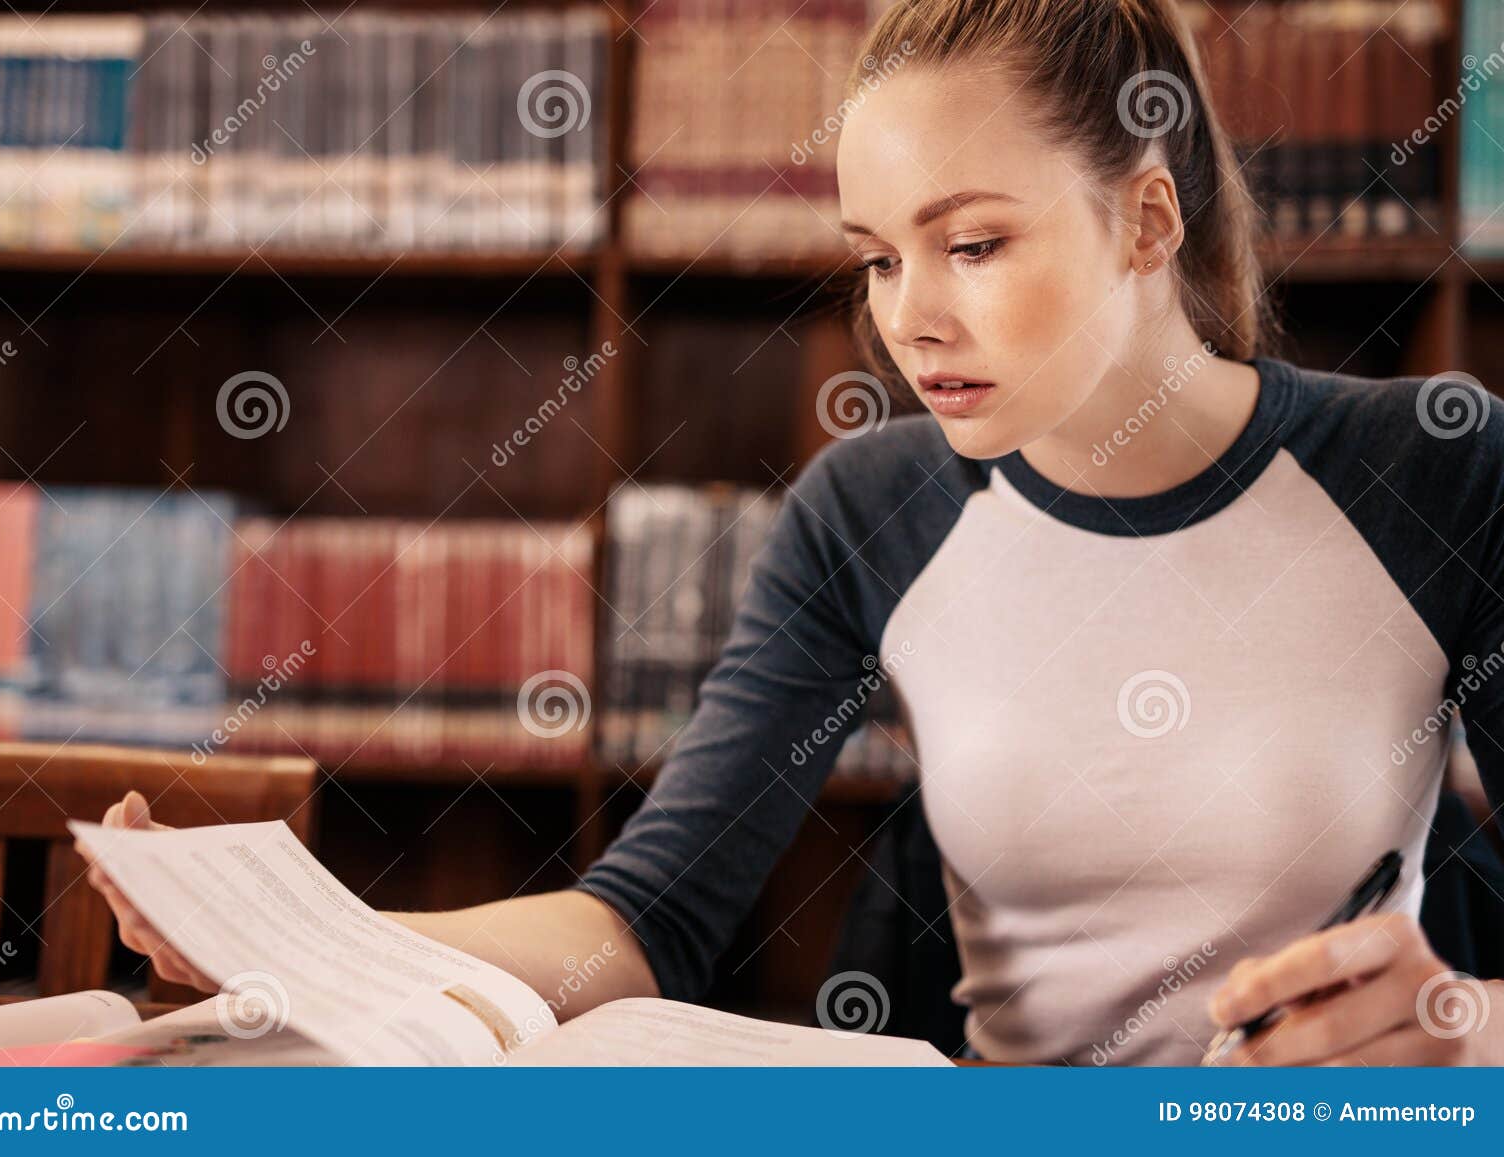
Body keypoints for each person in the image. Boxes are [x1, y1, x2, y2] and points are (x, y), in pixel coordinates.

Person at [79, 0, 1504, 1065]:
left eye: (975, 243)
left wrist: (1467, 1020)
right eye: (879, 257)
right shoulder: (870, 507)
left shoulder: (1431, 469)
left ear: (1144, 222)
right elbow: (647, 917)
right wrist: (301, 937)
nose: (910, 316)